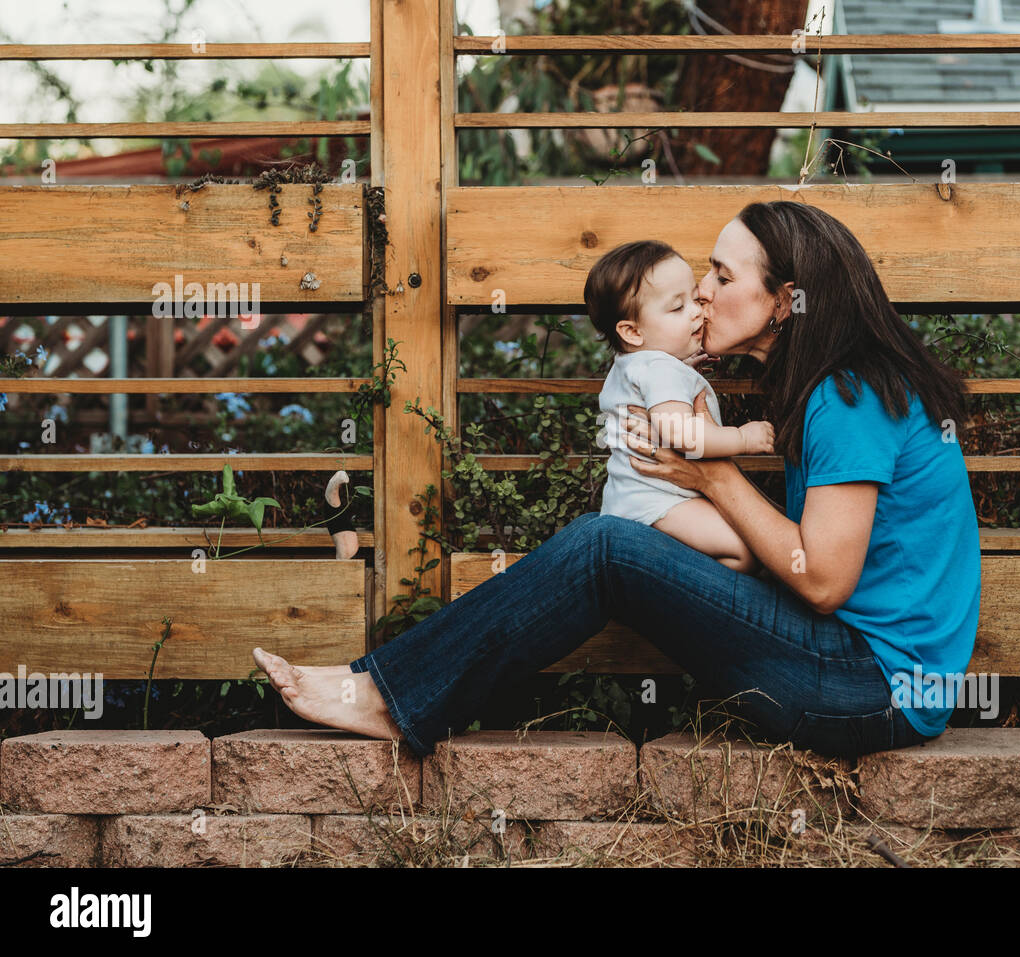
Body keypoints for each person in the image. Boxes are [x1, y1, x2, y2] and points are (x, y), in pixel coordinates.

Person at [254, 200, 982, 759]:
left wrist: (712, 476)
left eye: (723, 277)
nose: (703, 291)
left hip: (872, 688)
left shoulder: (848, 395)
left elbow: (823, 579)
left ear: (785, 301)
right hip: (850, 664)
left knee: (608, 548)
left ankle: (388, 697)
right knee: (616, 546)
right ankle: (389, 688)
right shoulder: (831, 387)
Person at [584, 239, 774, 573]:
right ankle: (669, 585)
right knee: (745, 551)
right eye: (677, 308)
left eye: (694, 298)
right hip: (658, 504)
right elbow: (682, 436)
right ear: (632, 331)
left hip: (638, 501)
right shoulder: (660, 370)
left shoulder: (638, 365)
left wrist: (683, 373)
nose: (697, 310)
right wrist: (743, 439)